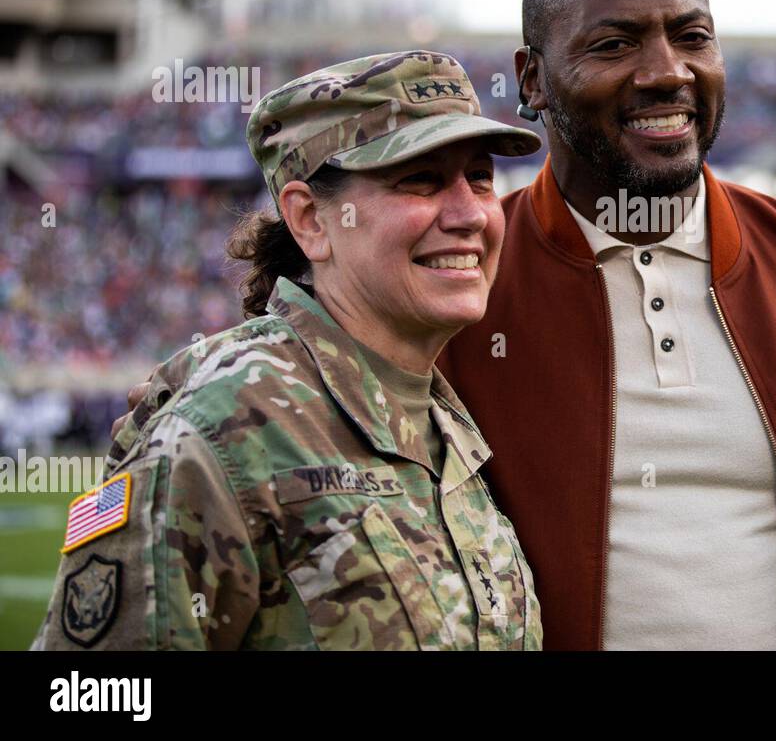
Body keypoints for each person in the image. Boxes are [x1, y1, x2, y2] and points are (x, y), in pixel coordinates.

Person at [120, 0, 776, 650]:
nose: (666, 71)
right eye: (615, 42)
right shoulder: (451, 303)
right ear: (532, 80)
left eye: (692, 35)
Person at [35, 50, 543, 650]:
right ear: (309, 221)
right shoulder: (220, 432)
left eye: (479, 177)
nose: (470, 213)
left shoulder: (440, 417)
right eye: (420, 180)